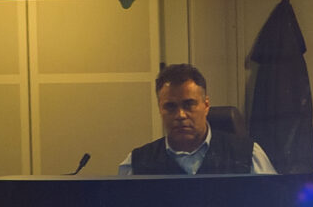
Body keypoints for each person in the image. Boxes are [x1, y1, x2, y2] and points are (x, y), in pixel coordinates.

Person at [118, 63, 276, 175]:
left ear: (206, 105)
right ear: (160, 108)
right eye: (170, 106)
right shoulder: (136, 163)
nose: (180, 115)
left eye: (189, 104)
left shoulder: (249, 155)